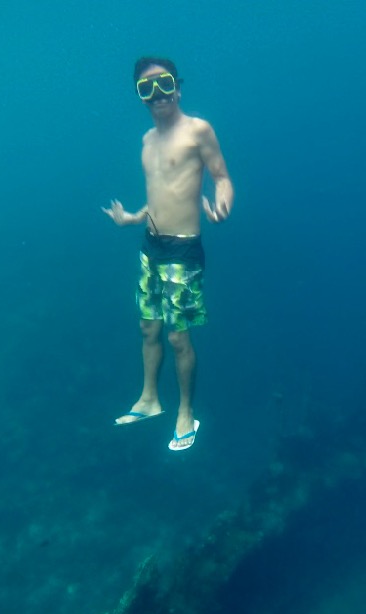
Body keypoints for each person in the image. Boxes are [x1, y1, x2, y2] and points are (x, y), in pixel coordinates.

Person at [103, 57, 234, 451]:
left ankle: (185, 412)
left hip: (183, 248)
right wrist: (131, 218)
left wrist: (223, 205)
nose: (157, 95)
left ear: (177, 87)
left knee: (179, 338)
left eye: (162, 84)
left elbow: (222, 177)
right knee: (148, 328)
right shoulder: (146, 141)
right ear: (140, 98)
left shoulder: (199, 131)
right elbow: (159, 193)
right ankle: (149, 400)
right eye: (146, 88)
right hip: (151, 246)